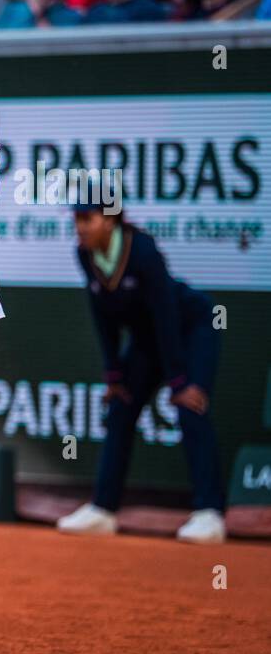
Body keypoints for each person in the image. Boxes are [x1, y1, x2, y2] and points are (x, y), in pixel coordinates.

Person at [56, 203, 226, 544]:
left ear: (110, 220)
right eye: (76, 219)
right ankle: (103, 511)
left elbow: (165, 314)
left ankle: (210, 515)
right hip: (148, 343)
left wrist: (179, 380)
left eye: (87, 219)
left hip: (192, 328)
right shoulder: (85, 254)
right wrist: (114, 375)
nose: (80, 227)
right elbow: (100, 314)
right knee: (120, 411)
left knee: (189, 407)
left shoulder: (143, 250)